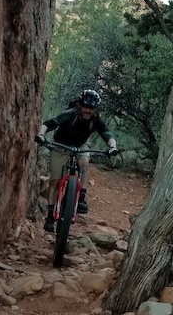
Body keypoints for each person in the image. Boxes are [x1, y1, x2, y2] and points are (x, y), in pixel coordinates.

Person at [35, 89, 118, 232]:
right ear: (80, 105)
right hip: (61, 145)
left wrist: (113, 147)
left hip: (80, 145)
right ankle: (50, 216)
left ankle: (81, 200)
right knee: (55, 181)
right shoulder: (69, 115)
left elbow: (106, 134)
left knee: (84, 164)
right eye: (85, 106)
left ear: (95, 109)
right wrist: (41, 135)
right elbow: (49, 123)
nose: (88, 110)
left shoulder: (95, 119)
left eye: (91, 108)